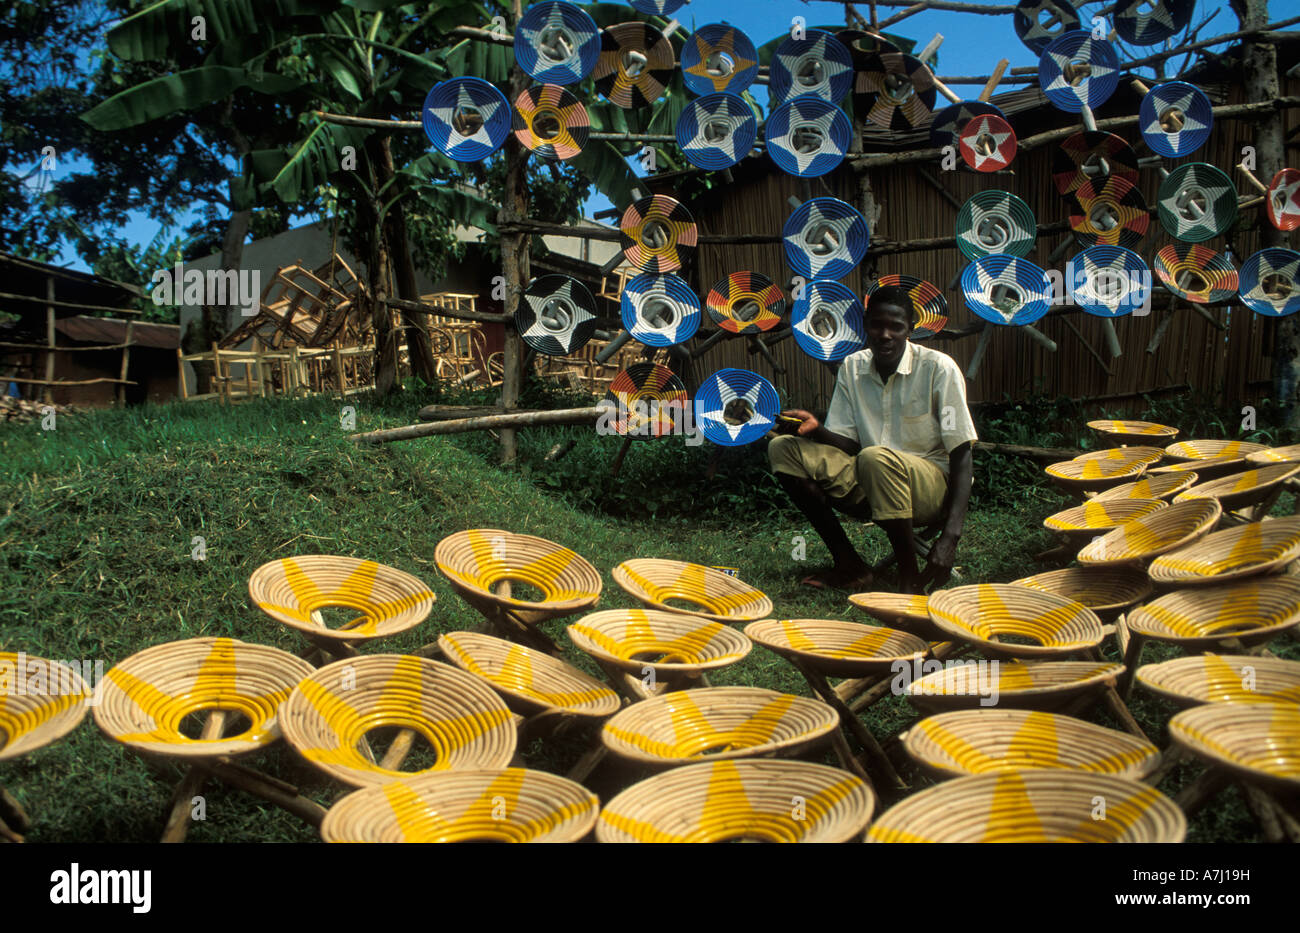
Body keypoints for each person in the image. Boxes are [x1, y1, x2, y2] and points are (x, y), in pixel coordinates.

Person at [769, 285, 977, 594]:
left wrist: (950, 536)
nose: (885, 334)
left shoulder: (938, 369)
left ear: (911, 329)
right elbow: (851, 445)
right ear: (865, 325)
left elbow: (961, 454)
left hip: (929, 489)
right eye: (877, 325)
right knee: (783, 449)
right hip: (870, 473)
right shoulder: (853, 368)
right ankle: (850, 564)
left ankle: (908, 576)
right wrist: (816, 430)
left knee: (875, 457)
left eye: (896, 327)